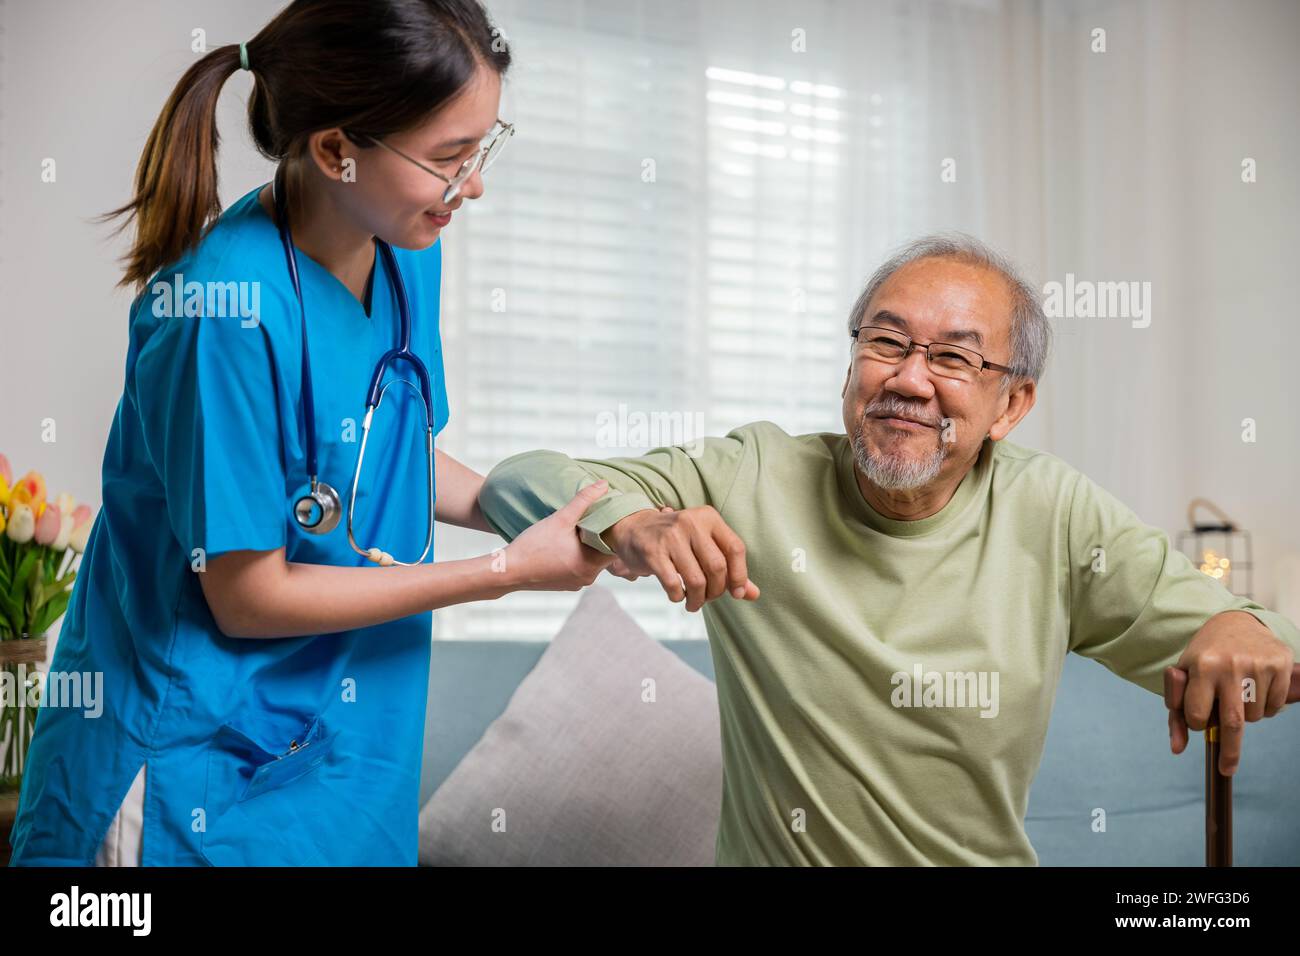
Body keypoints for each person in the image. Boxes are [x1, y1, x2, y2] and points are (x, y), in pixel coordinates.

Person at [9, 0, 617, 867]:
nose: (473, 184)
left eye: (483, 147)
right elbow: (246, 593)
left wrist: (560, 518)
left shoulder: (407, 246)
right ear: (337, 150)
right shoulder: (221, 314)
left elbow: (387, 460)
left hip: (342, 764)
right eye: (449, 158)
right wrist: (503, 575)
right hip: (190, 767)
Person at [476, 232, 1300, 865]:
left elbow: (1267, 650)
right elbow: (517, 483)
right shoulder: (752, 472)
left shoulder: (1053, 513)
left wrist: (1239, 629)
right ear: (851, 363)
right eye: (886, 342)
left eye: (952, 357)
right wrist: (631, 521)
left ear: (1010, 405)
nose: (909, 378)